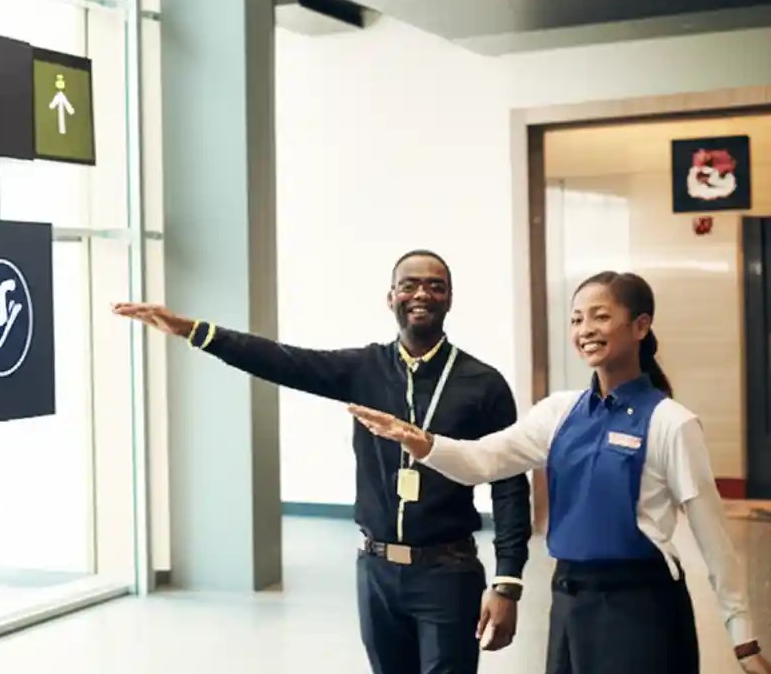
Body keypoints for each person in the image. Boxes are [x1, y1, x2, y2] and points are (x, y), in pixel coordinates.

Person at [114, 250, 533, 674]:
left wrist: (507, 582)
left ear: (449, 299)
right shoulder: (364, 369)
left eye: (434, 286)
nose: (421, 293)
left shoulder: (483, 385)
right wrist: (193, 331)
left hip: (449, 573)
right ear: (391, 298)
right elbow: (281, 360)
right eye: (409, 284)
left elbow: (510, 486)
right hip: (376, 572)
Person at [348, 270, 771, 674]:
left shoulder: (671, 422)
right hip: (569, 598)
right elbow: (482, 460)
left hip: (641, 606)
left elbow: (713, 538)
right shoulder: (560, 412)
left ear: (640, 326)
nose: (585, 329)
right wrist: (417, 440)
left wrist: (742, 637)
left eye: (601, 316)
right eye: (577, 319)